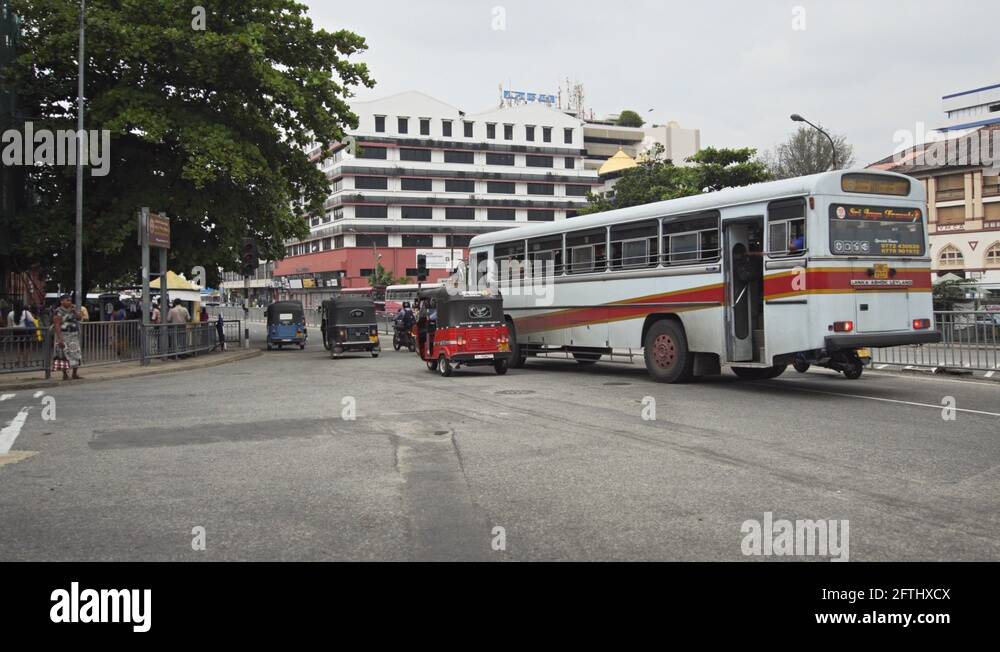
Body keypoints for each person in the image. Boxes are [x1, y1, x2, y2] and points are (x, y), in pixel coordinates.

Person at [52, 294, 83, 380]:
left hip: (73, 335)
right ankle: (65, 374)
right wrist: (60, 338)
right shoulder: (58, 311)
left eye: (70, 300)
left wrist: (74, 311)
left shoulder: (73, 309)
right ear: (62, 301)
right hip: (64, 335)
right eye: (67, 300)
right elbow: (57, 325)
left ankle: (75, 373)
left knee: (76, 354)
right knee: (64, 355)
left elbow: (79, 318)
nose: (70, 302)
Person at [6, 301, 36, 367]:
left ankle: (17, 361)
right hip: (25, 331)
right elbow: (32, 320)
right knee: (26, 347)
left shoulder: (10, 313)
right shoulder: (26, 313)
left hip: (16, 332)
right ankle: (25, 362)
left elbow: (9, 325)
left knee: (18, 347)